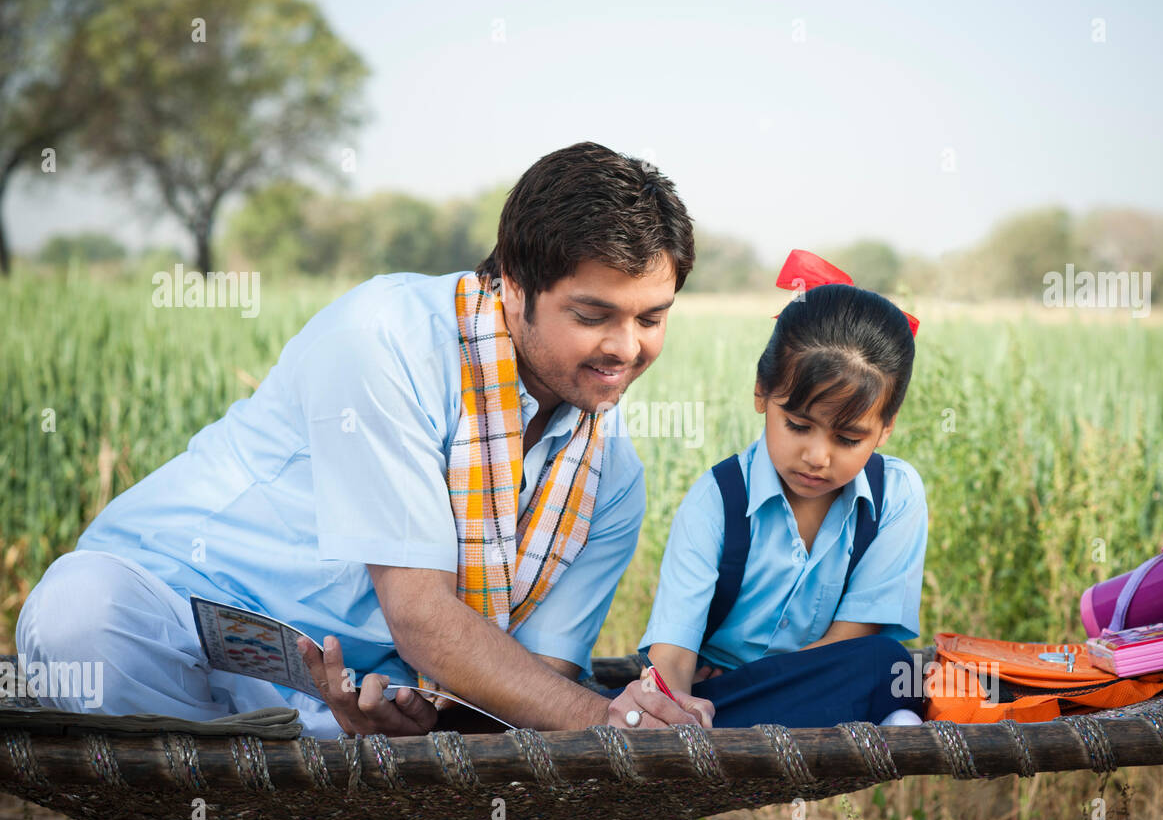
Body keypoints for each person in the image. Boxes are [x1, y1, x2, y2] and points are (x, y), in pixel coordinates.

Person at [15, 142, 713, 737]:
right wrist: (612, 723)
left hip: (334, 702)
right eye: (593, 314)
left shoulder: (612, 479)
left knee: (376, 751)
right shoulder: (388, 339)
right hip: (164, 622)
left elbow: (537, 681)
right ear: (513, 285)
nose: (626, 347)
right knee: (84, 618)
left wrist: (423, 722)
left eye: (652, 318)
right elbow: (421, 616)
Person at [629, 250, 928, 727]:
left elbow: (851, 640)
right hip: (718, 698)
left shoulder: (896, 494)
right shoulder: (716, 501)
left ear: (885, 429)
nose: (817, 456)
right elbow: (673, 659)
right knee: (654, 702)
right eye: (797, 425)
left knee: (884, 662)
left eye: (849, 439)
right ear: (761, 393)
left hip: (816, 683)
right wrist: (673, 704)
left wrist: (762, 678)